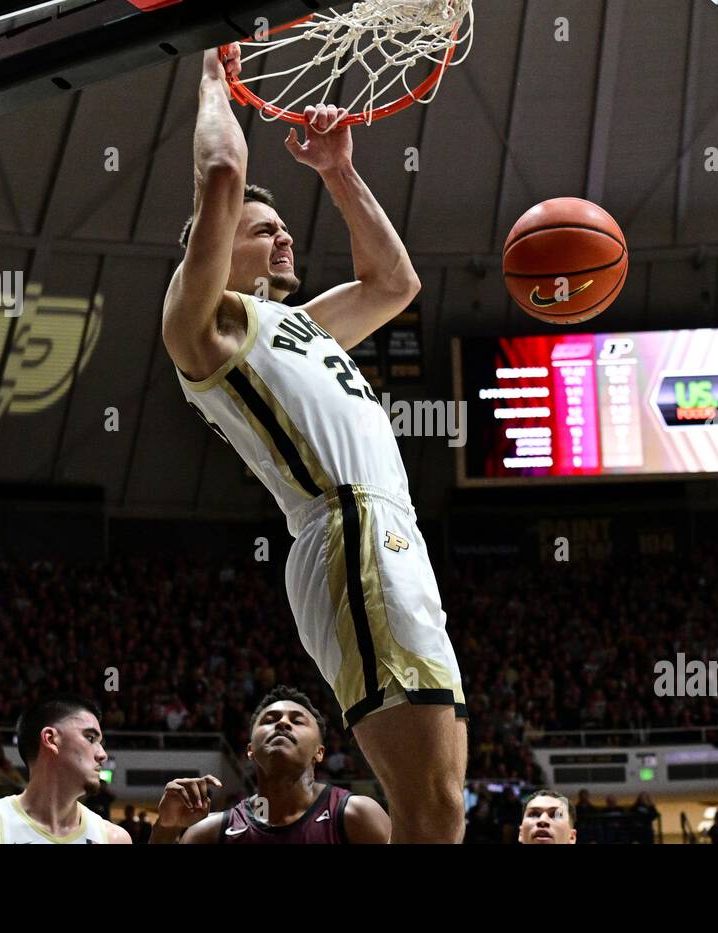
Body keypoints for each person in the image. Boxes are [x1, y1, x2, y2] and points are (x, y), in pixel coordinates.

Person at [163, 43, 465, 842]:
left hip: (390, 531)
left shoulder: (303, 325)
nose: (287, 240)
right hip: (347, 530)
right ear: (218, 246)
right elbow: (223, 176)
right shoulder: (212, 325)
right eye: (266, 232)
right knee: (430, 803)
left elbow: (395, 284)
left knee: (442, 800)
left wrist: (338, 171)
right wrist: (211, 79)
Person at [151, 686, 389, 845]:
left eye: (297, 721)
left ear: (319, 752)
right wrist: (166, 828)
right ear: (250, 750)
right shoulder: (211, 832)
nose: (282, 724)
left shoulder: (357, 815)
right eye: (270, 720)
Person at [0, 695, 130, 844]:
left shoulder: (115, 839)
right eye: (90, 738)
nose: (102, 754)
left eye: (101, 743)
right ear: (50, 739)